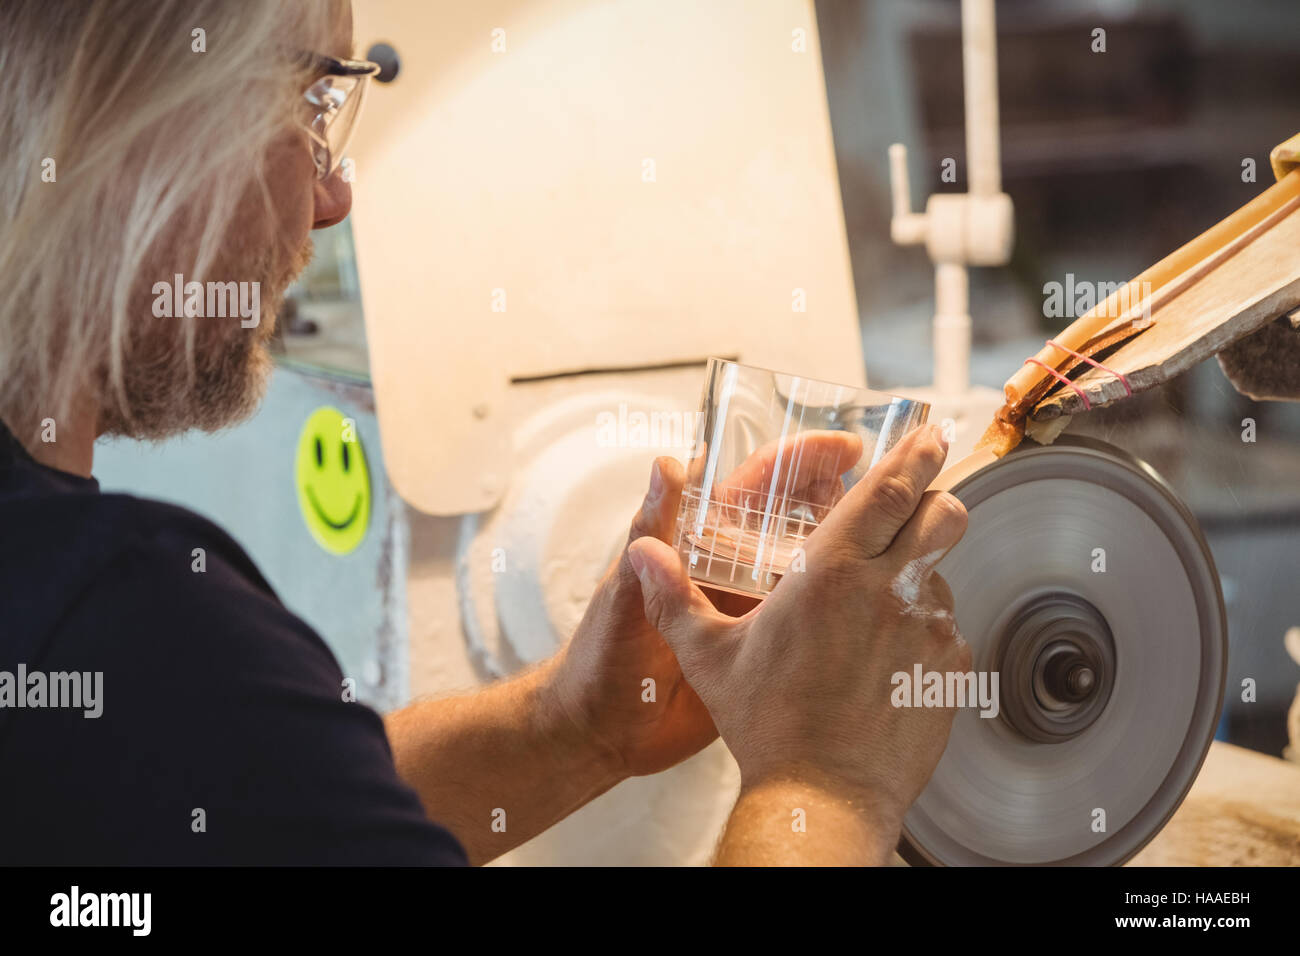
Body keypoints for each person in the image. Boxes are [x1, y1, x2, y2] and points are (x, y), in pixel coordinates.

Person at [0, 0, 969, 866]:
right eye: (310, 103)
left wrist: (578, 725)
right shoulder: (114, 619)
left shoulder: (88, 636)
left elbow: (261, 810)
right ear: (127, 107)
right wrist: (825, 780)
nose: (333, 198)